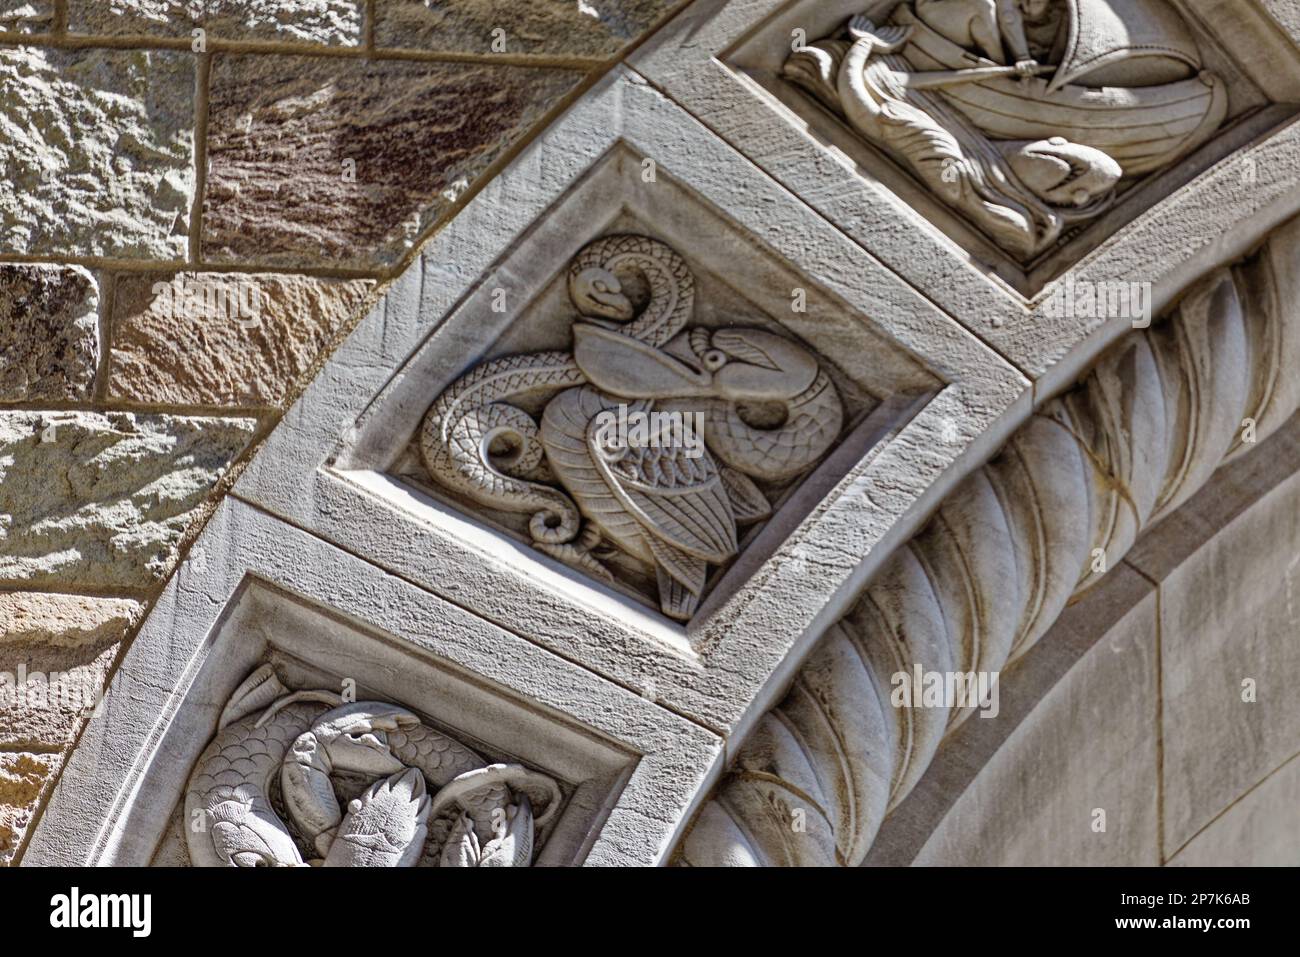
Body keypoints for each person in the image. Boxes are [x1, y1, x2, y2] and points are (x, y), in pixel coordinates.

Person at [915, 0, 1058, 75]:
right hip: (934, 11)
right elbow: (1007, 14)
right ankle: (1001, 67)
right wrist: (1022, 57)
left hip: (962, 18)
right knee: (982, 5)